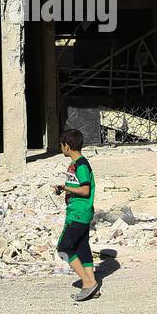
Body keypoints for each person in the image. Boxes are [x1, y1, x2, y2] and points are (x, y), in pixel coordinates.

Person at [54, 127, 100, 302]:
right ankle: (92, 284)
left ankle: (88, 283)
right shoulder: (74, 165)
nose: (61, 148)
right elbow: (76, 188)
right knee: (82, 247)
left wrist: (66, 187)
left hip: (79, 214)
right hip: (78, 211)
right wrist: (63, 190)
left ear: (67, 146)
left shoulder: (81, 165)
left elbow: (85, 190)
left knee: (63, 249)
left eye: (61, 144)